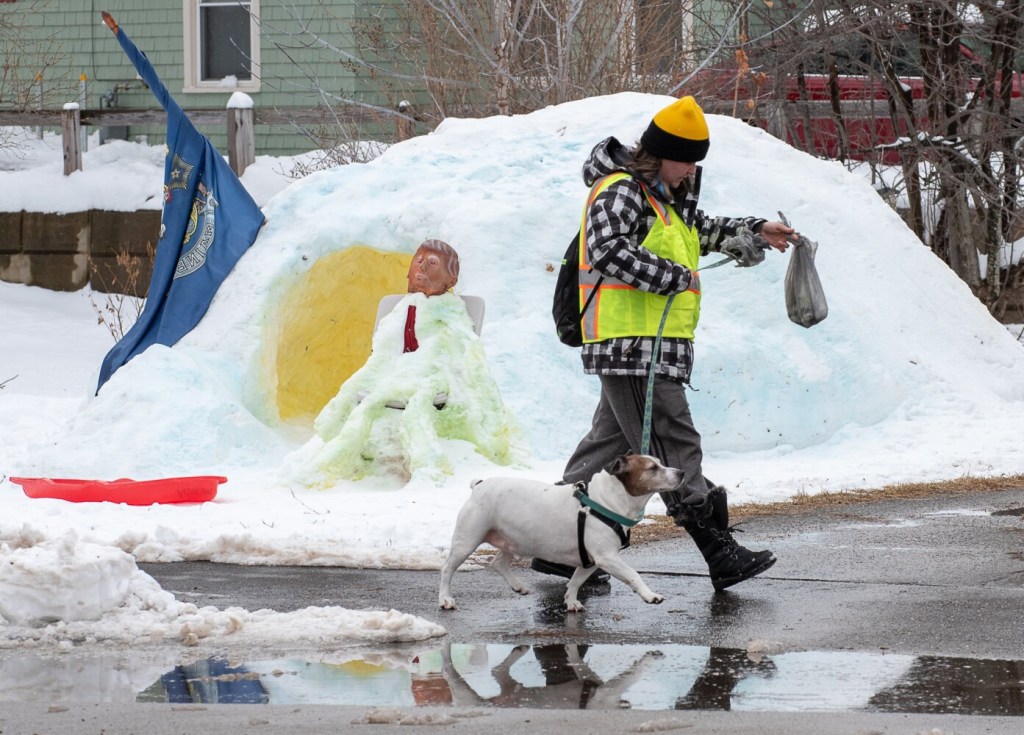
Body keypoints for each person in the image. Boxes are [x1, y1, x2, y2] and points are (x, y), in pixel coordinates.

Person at [532, 96, 793, 590]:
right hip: (633, 347)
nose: (692, 171)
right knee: (673, 440)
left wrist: (754, 230)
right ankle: (719, 552)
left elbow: (700, 230)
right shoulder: (620, 190)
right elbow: (606, 250)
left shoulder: (664, 200)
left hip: (652, 346)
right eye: (686, 160)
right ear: (659, 154)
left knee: (607, 446)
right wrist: (672, 276)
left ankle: (559, 553)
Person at [305, 239, 522, 483]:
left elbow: (458, 349)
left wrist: (425, 365)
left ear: (451, 281)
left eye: (432, 264)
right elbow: (385, 347)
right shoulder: (400, 308)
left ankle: (424, 458)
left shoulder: (450, 312)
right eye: (418, 262)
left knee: (416, 394)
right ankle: (353, 448)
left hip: (433, 372)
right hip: (394, 369)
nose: (422, 269)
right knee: (357, 391)